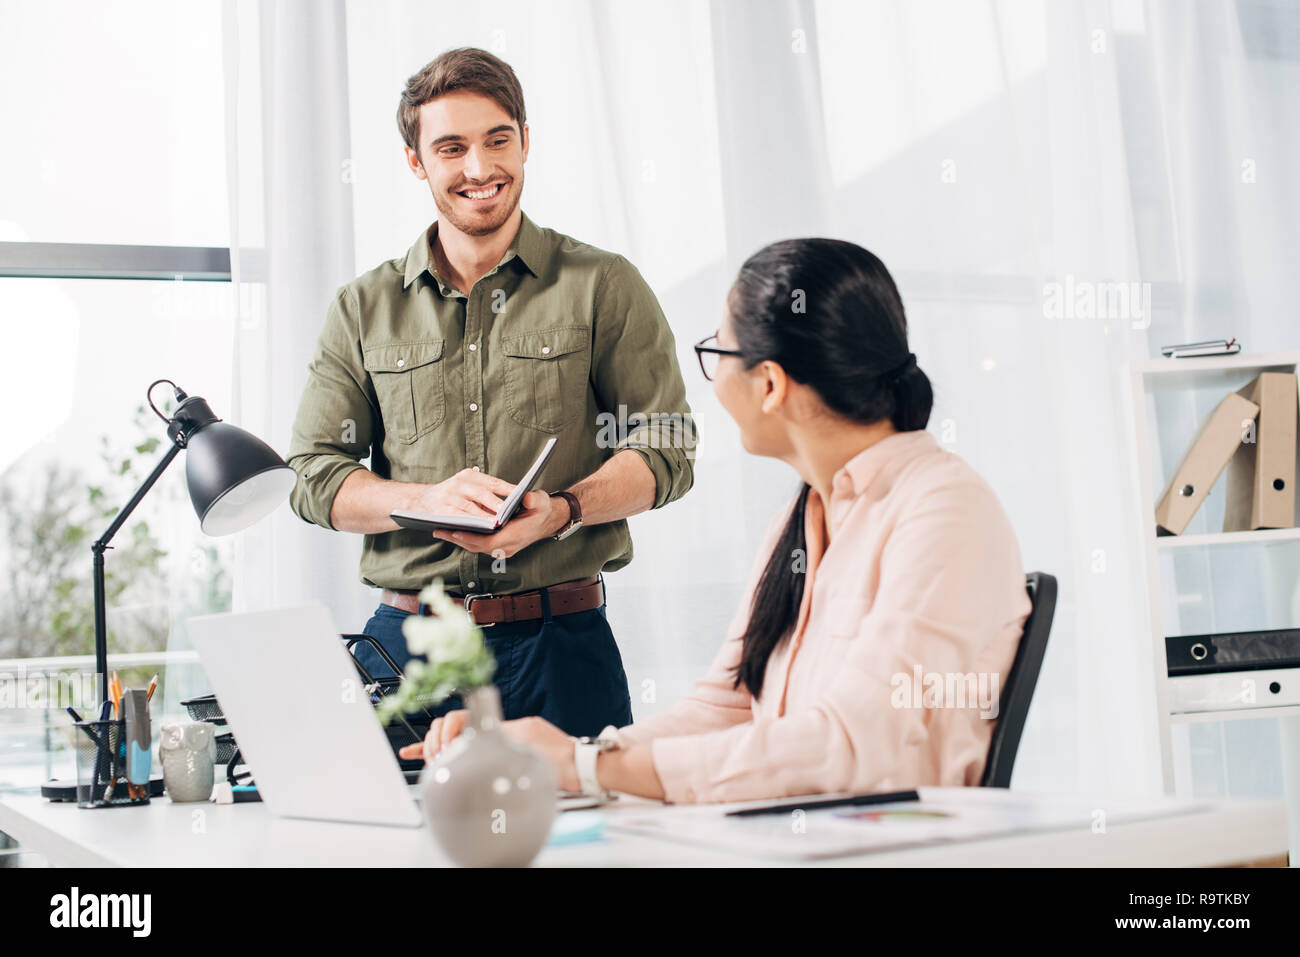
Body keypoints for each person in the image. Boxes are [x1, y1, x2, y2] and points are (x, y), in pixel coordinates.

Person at [401, 237, 1031, 803]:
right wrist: (564, 758)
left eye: (718, 351)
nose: (711, 379)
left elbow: (852, 747)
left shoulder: (943, 511)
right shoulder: (806, 512)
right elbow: (726, 704)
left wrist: (585, 766)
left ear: (770, 385)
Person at [286, 47, 696, 738]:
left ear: (526, 141)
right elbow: (311, 475)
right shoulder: (363, 307)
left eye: (497, 140)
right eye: (451, 147)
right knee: (402, 847)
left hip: (563, 647)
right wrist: (419, 500)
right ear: (417, 161)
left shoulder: (603, 284)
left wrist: (564, 508)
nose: (480, 168)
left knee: (586, 844)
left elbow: (667, 448)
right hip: (406, 648)